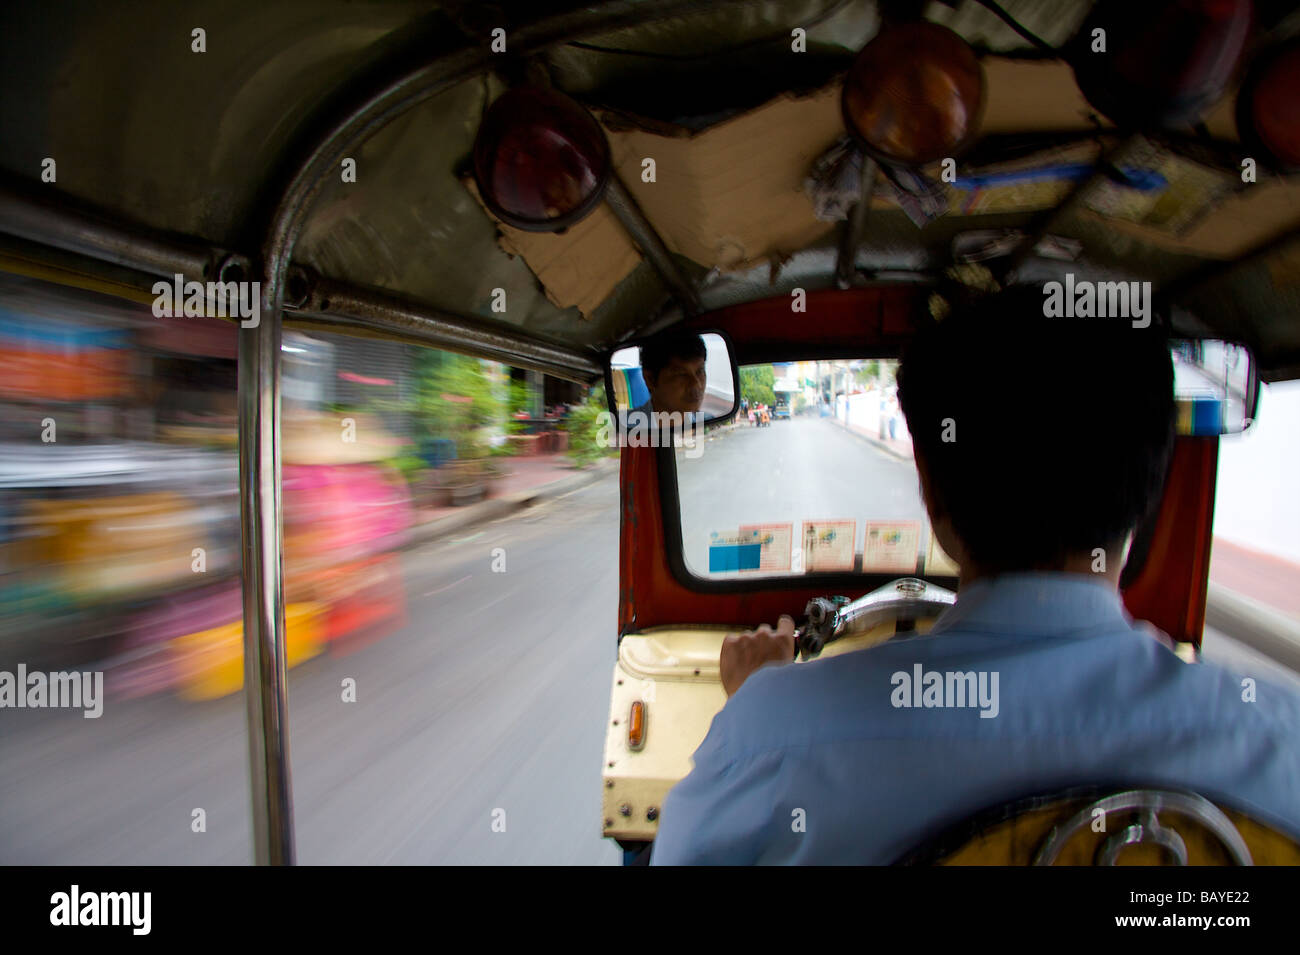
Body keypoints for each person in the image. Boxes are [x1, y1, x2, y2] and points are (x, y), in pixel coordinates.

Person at [650, 285, 1300, 865]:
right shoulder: (1280, 737)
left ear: (931, 494)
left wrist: (762, 703)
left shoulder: (776, 734)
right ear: (1149, 491)